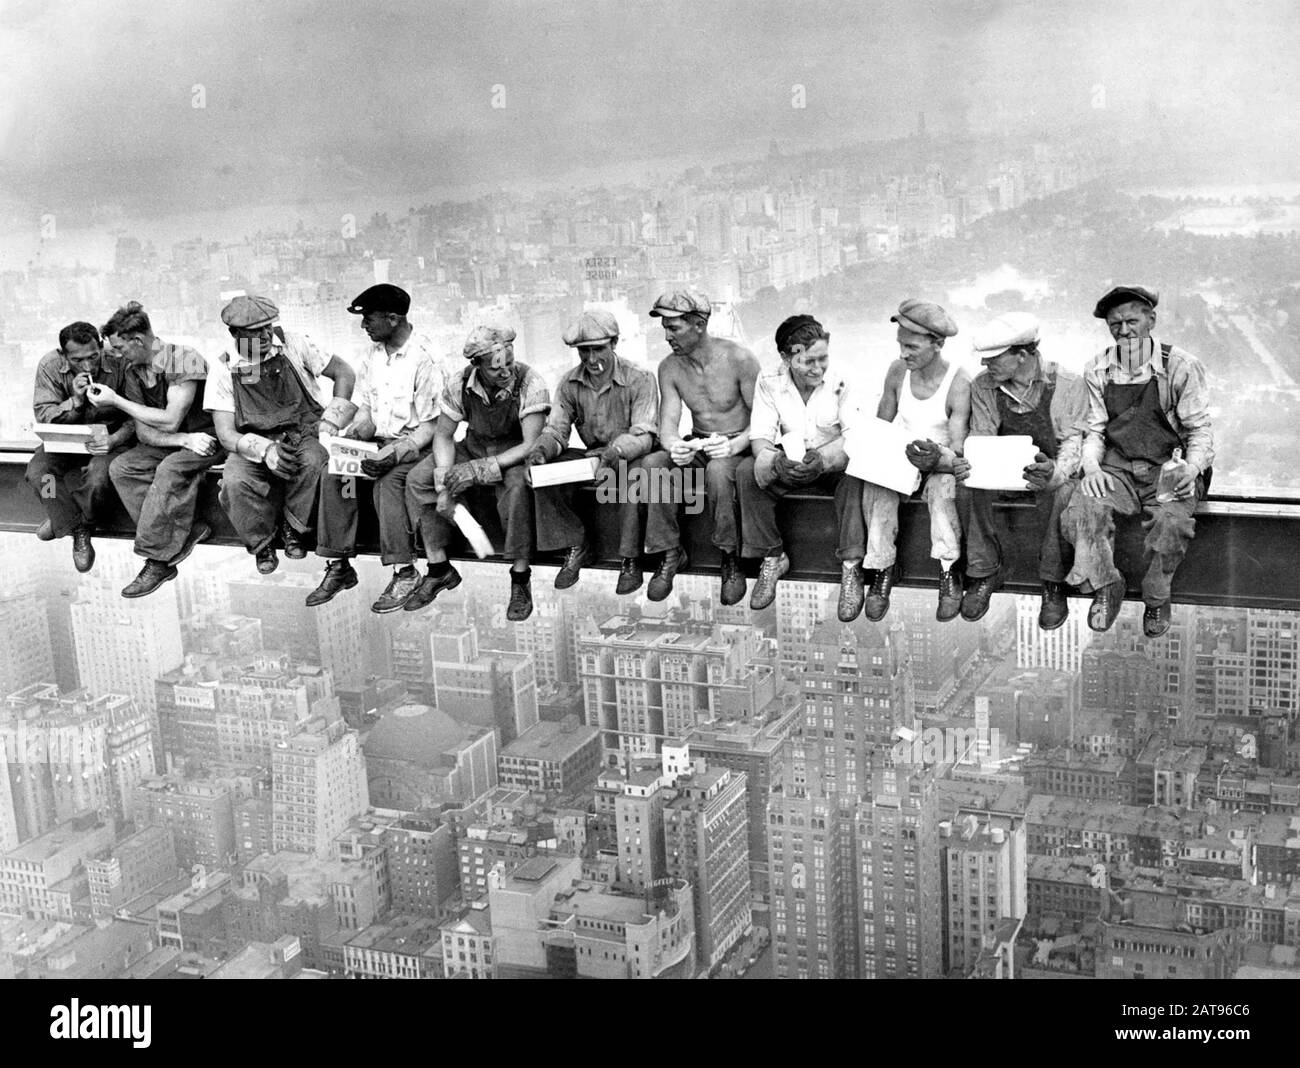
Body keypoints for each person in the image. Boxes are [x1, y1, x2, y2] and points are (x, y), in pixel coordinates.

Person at [1059, 286, 1214, 638]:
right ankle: (1106, 584)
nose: (1124, 331)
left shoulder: (1180, 366)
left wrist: (1191, 468)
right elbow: (1094, 430)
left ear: (1151, 320)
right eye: (1115, 324)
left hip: (1169, 468)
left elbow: (1199, 429)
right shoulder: (1098, 368)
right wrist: (1092, 468)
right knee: (1083, 507)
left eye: (1132, 321)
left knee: (1172, 523)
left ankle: (1157, 595)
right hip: (1120, 468)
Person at [307, 284, 443, 613]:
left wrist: (395, 453)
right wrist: (354, 432)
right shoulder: (373, 355)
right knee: (336, 474)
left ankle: (405, 570)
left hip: (415, 447)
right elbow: (366, 407)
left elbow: (432, 426)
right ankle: (339, 563)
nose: (363, 325)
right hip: (379, 443)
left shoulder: (425, 359)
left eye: (369, 319)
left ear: (393, 319)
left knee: (388, 483)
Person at [406, 325, 550, 620]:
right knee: (419, 479)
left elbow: (530, 444)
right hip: (473, 446)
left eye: (509, 363)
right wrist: (444, 484)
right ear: (477, 365)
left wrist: (478, 470)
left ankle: (520, 577)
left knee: (517, 489)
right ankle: (439, 567)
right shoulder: (459, 383)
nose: (505, 372)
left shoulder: (531, 383)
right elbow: (444, 436)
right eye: (496, 368)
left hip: (513, 454)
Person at [206, 295, 357, 575]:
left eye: (268, 327)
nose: (266, 336)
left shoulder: (294, 343)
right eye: (255, 332)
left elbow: (344, 373)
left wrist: (332, 419)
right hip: (252, 440)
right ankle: (261, 542)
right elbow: (226, 434)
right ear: (235, 334)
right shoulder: (224, 366)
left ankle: (295, 526)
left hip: (303, 431)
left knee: (314, 462)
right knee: (234, 481)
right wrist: (265, 450)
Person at [955, 313, 1087, 628]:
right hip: (1003, 470)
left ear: (1023, 355)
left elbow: (1073, 443)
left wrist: (1055, 473)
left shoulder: (1068, 383)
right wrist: (972, 462)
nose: (985, 364)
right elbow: (982, 436)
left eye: (994, 358)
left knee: (1063, 493)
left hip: (1050, 471)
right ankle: (984, 570)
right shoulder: (984, 386)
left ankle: (1053, 582)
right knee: (967, 485)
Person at [738, 314, 868, 619]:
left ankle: (852, 566)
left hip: (834, 461)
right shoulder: (769, 381)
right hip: (793, 458)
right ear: (786, 358)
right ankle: (772, 556)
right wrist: (776, 461)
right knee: (746, 473)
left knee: (856, 477)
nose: (817, 368)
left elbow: (854, 435)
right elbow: (760, 435)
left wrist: (822, 461)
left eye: (822, 359)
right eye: (808, 361)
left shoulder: (843, 379)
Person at [90, 302, 223, 598]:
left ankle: (157, 560)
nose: (117, 354)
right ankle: (187, 529)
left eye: (120, 347)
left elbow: (171, 419)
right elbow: (144, 431)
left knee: (170, 469)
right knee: (122, 468)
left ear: (138, 340)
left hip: (209, 438)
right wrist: (181, 440)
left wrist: (117, 401)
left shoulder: (184, 359)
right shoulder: (134, 370)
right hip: (180, 442)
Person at [527, 309, 659, 595]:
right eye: (584, 351)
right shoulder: (569, 383)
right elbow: (557, 430)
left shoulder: (640, 378)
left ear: (614, 343)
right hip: (593, 456)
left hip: (629, 454)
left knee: (636, 477)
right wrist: (541, 452)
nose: (591, 358)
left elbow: (644, 434)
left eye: (598, 349)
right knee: (544, 475)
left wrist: (613, 455)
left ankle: (630, 558)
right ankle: (576, 544)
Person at [640, 289, 759, 605]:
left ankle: (730, 557)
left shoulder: (740, 359)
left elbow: (764, 420)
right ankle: (669, 552)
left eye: (674, 328)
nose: (667, 336)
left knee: (719, 472)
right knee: (652, 465)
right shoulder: (669, 367)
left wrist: (734, 446)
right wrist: (675, 446)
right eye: (665, 328)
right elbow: (668, 424)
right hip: (699, 443)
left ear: (699, 325)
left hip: (738, 446)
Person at [861, 299, 971, 622]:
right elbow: (882, 426)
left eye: (911, 347)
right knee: (877, 487)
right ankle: (882, 567)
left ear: (937, 344)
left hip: (940, 462)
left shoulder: (958, 382)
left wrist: (938, 459)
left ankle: (949, 569)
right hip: (904, 457)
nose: (903, 354)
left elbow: (959, 448)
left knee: (944, 491)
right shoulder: (898, 372)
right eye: (900, 345)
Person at [25, 321, 134, 572]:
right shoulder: (50, 366)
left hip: (110, 440)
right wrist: (75, 401)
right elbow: (44, 415)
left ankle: (63, 518)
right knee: (41, 476)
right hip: (65, 441)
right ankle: (75, 525)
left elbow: (135, 415)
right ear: (63, 355)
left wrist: (114, 439)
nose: (87, 366)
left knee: (98, 479)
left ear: (101, 347)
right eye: (77, 360)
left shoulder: (120, 361)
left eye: (93, 357)